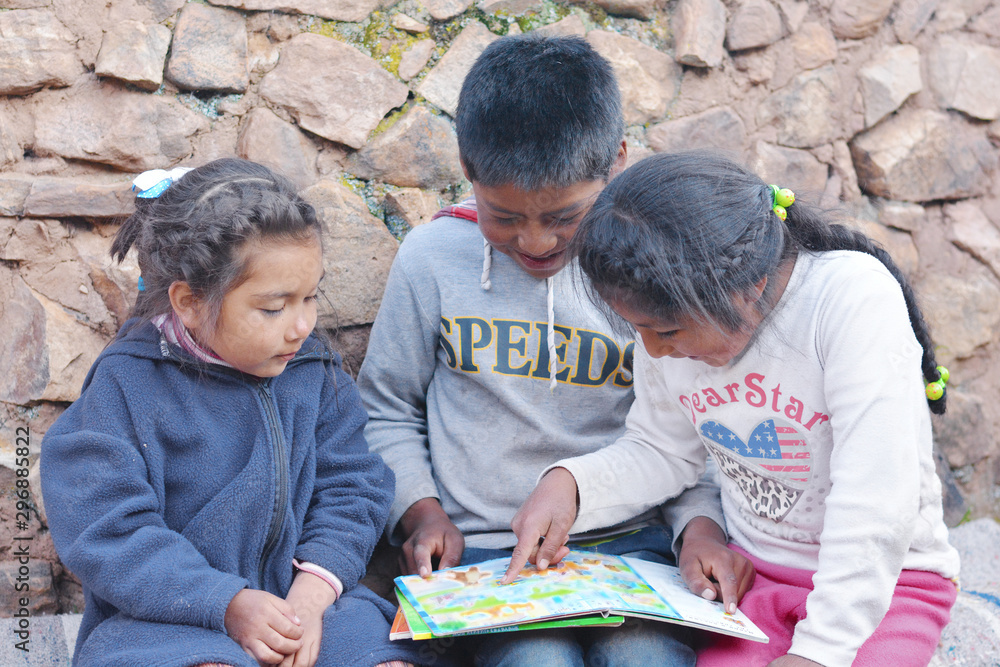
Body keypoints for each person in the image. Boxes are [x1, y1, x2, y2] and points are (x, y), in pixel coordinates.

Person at [357, 36, 752, 667]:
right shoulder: (432, 260)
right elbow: (386, 407)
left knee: (645, 659)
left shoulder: (646, 273)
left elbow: (688, 428)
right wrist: (422, 515)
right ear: (468, 168)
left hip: (634, 548)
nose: (535, 240)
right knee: (536, 660)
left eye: (565, 216)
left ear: (616, 163)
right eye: (504, 215)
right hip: (487, 556)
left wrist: (698, 528)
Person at [511, 151, 962, 666]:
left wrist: (819, 652)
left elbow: (877, 496)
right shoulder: (668, 328)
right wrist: (570, 483)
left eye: (666, 331)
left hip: (889, 585)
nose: (653, 351)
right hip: (753, 578)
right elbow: (663, 450)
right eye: (639, 331)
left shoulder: (849, 299)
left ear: (747, 287)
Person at [40, 159, 427, 667]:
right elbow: (108, 528)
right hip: (171, 622)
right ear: (190, 302)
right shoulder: (126, 386)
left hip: (305, 606)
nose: (301, 326)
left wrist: (312, 594)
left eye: (310, 297)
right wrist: (227, 604)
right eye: (274, 308)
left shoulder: (313, 371)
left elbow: (353, 485)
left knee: (383, 656)